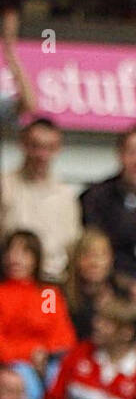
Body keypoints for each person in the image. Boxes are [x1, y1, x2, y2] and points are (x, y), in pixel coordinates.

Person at [79, 124, 136, 310]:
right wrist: (130, 286)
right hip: (104, 282)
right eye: (133, 152)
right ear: (120, 153)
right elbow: (91, 251)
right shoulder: (95, 197)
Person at [0, 118, 80, 281]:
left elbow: (72, 245)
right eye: (35, 146)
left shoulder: (66, 194)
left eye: (49, 147)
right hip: (10, 282)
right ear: (23, 144)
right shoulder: (4, 185)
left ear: (58, 149)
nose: (42, 155)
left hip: (53, 282)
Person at [0, 229, 75, 370]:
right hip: (12, 365)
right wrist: (29, 354)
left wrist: (45, 353)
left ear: (36, 258)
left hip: (48, 360)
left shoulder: (47, 294)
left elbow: (62, 334)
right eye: (10, 251)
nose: (14, 258)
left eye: (24, 252)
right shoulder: (2, 293)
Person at [64, 228, 135, 341]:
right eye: (88, 256)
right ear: (76, 260)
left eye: (101, 256)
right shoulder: (58, 294)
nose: (95, 263)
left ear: (111, 259)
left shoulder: (122, 290)